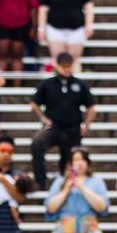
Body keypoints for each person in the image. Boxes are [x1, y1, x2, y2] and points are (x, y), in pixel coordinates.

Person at [28, 51, 93, 190]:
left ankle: (67, 183)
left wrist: (86, 125)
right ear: (57, 66)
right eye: (64, 66)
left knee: (69, 157)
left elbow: (91, 107)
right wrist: (43, 118)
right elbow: (33, 103)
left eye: (69, 66)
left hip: (72, 128)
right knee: (37, 143)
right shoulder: (47, 84)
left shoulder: (80, 84)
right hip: (54, 127)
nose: (67, 70)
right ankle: (40, 181)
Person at [45, 147, 108, 233]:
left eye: (83, 160)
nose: (79, 163)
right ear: (70, 164)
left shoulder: (96, 181)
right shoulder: (60, 181)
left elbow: (102, 206)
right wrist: (66, 189)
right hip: (65, 229)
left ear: (88, 163)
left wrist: (81, 187)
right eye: (76, 160)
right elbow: (51, 207)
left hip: (88, 227)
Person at [37, 0, 93, 70]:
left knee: (74, 59)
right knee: (57, 59)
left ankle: (74, 79)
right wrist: (41, 28)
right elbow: (43, 11)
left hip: (77, 29)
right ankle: (58, 79)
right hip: (55, 29)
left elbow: (89, 7)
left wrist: (89, 25)